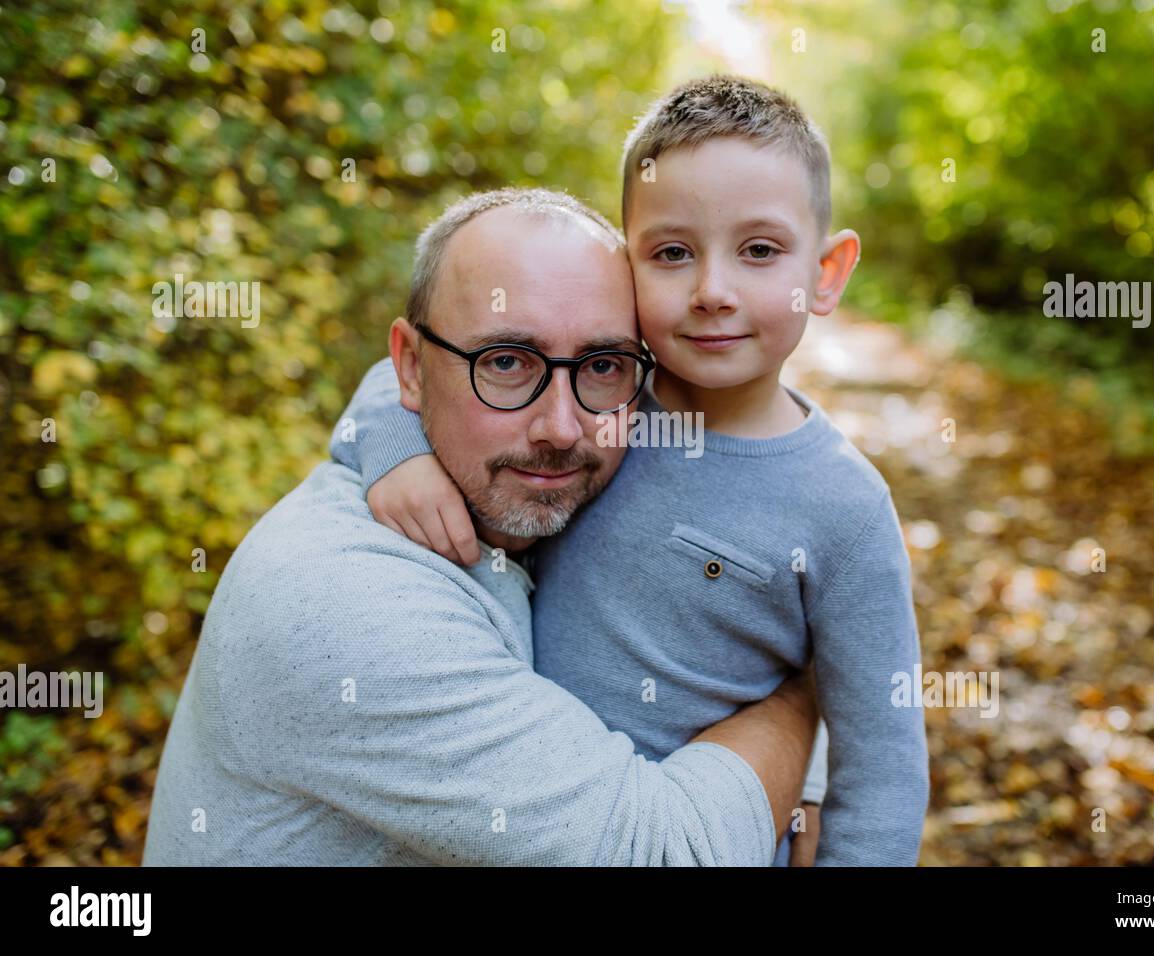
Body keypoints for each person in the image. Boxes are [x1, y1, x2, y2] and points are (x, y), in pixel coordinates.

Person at [338, 76, 930, 865]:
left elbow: (886, 763)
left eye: (759, 251)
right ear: (625, 268)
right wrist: (398, 452)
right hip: (533, 818)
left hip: (701, 837)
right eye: (672, 253)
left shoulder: (845, 508)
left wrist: (811, 788)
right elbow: (413, 372)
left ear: (826, 273)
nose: (713, 292)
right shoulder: (596, 404)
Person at [143, 187, 821, 866]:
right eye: (505, 362)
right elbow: (666, 852)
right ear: (412, 367)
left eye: (603, 364)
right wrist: (811, 696)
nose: (560, 428)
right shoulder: (346, 600)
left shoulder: (569, 470)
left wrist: (809, 779)